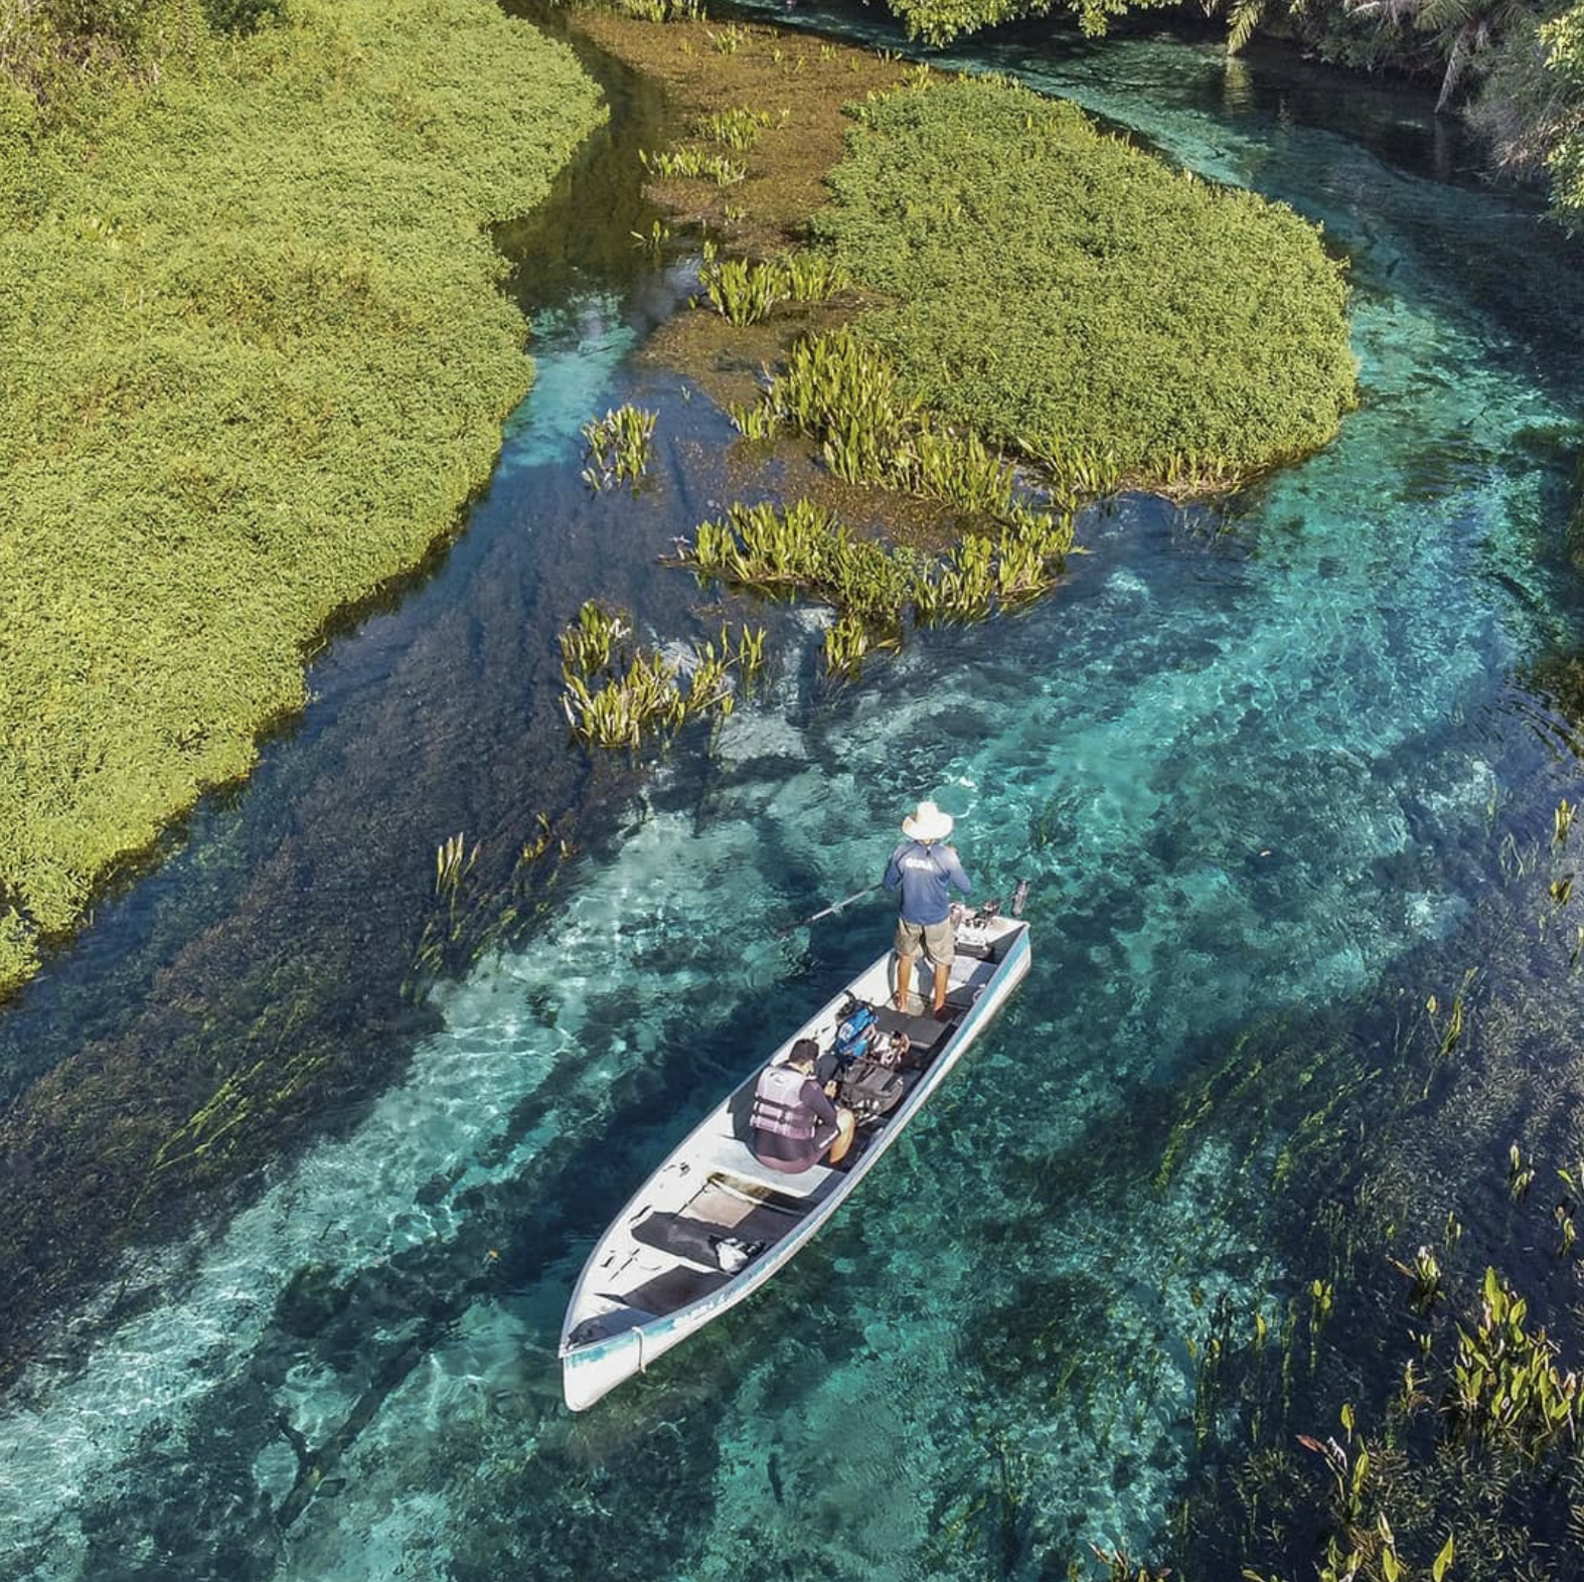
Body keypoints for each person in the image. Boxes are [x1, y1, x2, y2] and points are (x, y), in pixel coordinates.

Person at [883, 799, 972, 1018]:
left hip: (908, 917)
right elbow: (966, 888)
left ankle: (902, 1002)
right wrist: (953, 859)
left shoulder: (901, 852)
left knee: (905, 956)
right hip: (937, 919)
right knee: (942, 961)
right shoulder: (946, 856)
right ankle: (939, 1006)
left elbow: (888, 884)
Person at [749, 1037, 856, 1174]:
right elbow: (831, 1120)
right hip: (795, 1164)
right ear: (810, 1064)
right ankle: (833, 1169)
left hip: (761, 1154)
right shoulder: (808, 1086)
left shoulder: (766, 1074)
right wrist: (828, 1096)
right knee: (846, 1118)